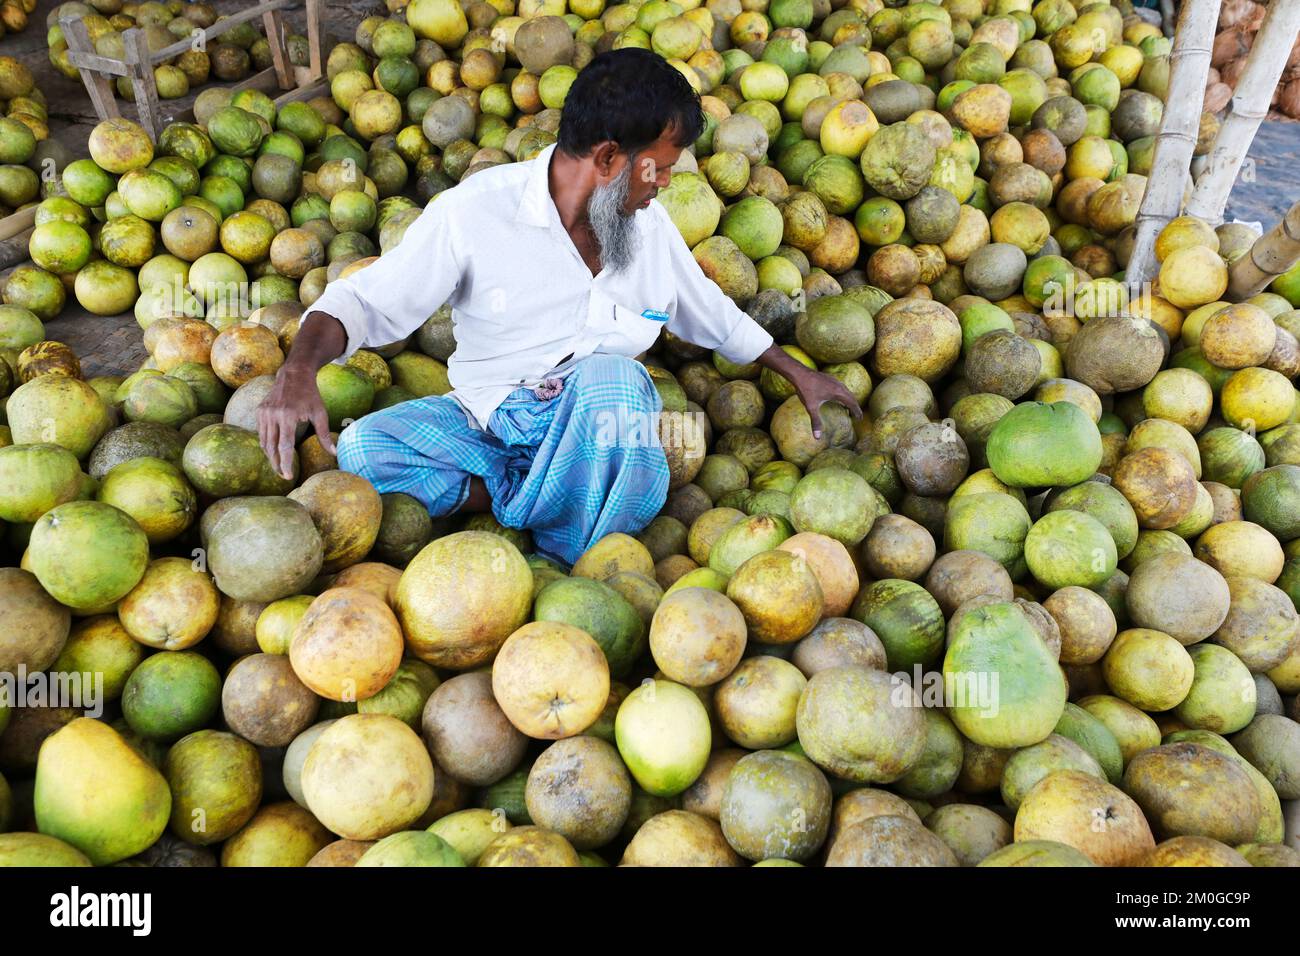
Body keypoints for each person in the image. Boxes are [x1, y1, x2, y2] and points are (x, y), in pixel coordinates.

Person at [257, 48, 861, 566]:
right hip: (490, 420)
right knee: (363, 451)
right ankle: (536, 496)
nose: (666, 184)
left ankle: (564, 552)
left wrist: (795, 371)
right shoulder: (477, 213)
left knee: (614, 384)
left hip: (599, 429)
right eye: (660, 167)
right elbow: (361, 300)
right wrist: (297, 369)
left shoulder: (647, 226)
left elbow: (708, 309)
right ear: (606, 159)